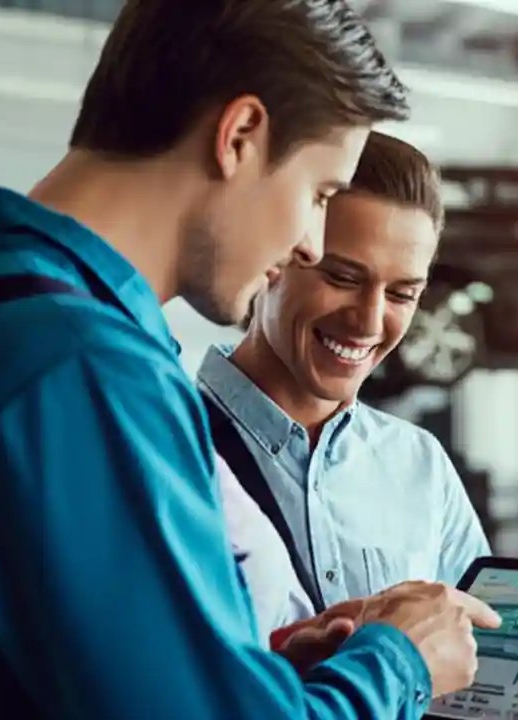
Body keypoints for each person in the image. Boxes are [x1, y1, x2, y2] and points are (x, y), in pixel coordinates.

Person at [0, 1, 499, 717]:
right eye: (318, 194)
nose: (310, 246)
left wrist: (264, 671)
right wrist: (397, 662)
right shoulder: (84, 371)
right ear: (241, 136)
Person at [203, 132, 490, 643]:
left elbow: (477, 666)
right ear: (275, 260)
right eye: (342, 278)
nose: (369, 321)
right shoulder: (164, 439)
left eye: (403, 293)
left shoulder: (420, 466)